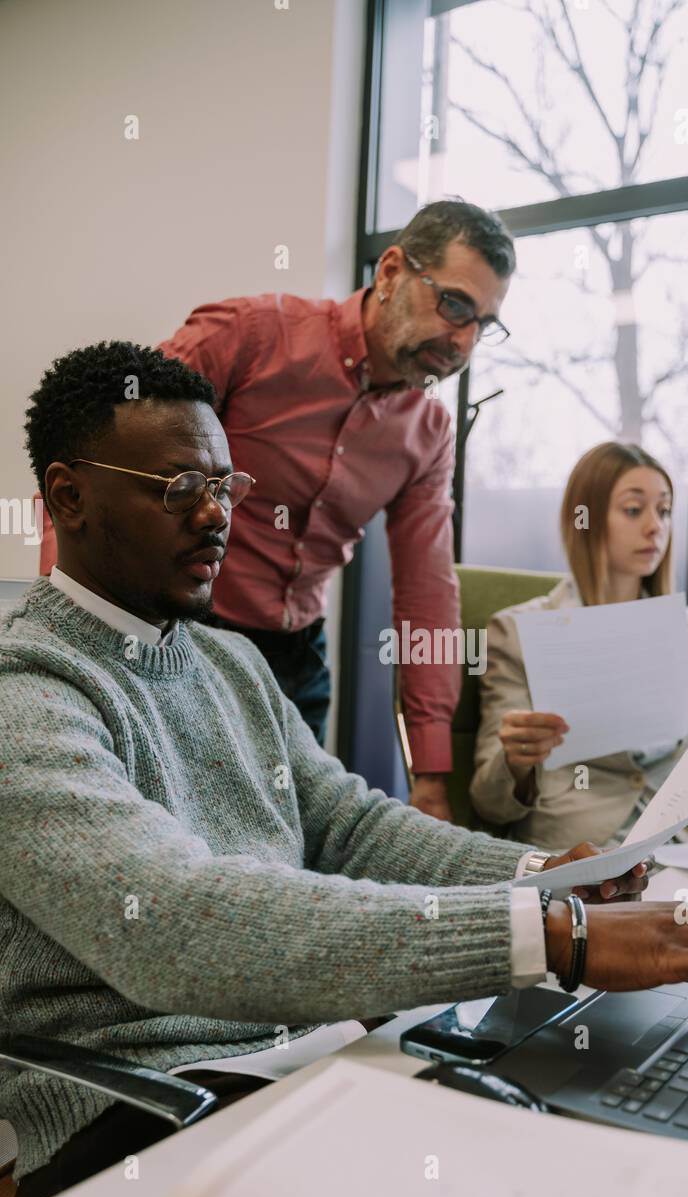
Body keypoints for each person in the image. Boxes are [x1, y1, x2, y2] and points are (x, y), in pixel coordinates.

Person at [1, 349, 688, 1197]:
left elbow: (352, 827)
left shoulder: (229, 660)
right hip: (145, 1107)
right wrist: (551, 933)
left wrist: (539, 877)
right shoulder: (25, 691)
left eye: (229, 485)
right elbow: (173, 921)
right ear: (68, 497)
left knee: (621, 1175)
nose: (219, 514)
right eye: (182, 487)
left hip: (312, 1053)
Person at [36, 199, 518, 822]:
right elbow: (94, 458)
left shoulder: (427, 432)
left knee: (285, 845)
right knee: (166, 831)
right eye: (455, 305)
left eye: (484, 324)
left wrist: (429, 774)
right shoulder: (251, 336)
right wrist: (68, 622)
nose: (463, 340)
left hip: (296, 663)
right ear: (393, 270)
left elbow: (426, 595)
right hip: (186, 635)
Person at [470, 442, 688, 849]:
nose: (656, 526)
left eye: (665, 510)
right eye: (634, 510)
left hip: (680, 852)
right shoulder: (519, 632)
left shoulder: (687, 628)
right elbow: (489, 805)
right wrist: (516, 761)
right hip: (577, 858)